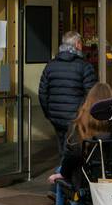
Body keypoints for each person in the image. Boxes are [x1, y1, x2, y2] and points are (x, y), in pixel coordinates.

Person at [38, 31, 96, 162]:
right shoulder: (84, 66)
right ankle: (67, 176)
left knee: (63, 148)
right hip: (75, 117)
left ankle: (63, 173)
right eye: (81, 43)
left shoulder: (50, 65)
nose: (82, 45)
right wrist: (83, 114)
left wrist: (49, 113)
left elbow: (42, 92)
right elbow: (91, 94)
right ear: (77, 44)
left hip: (56, 117)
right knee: (73, 151)